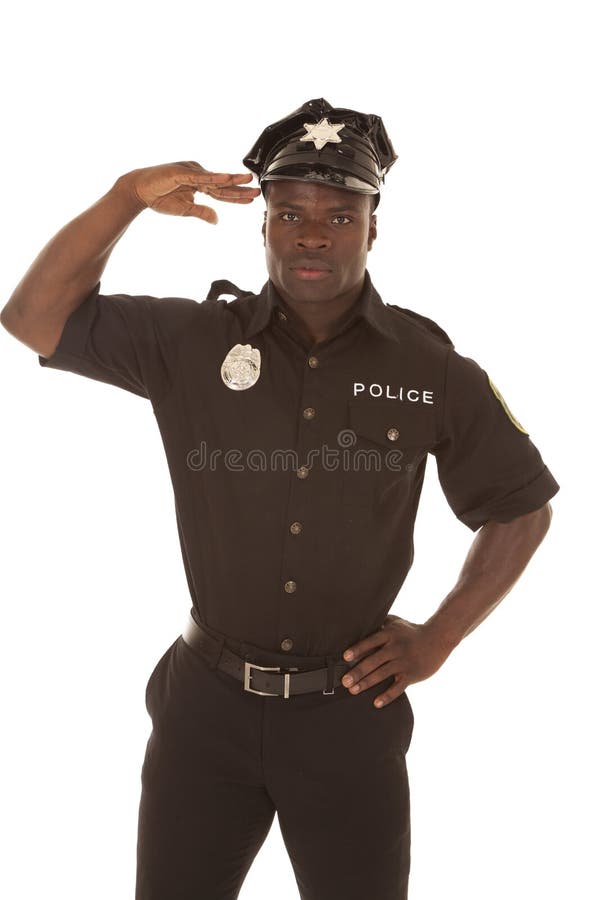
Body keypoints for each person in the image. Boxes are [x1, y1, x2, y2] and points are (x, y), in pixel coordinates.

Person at [1, 98, 559, 900]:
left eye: (339, 214)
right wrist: (125, 196)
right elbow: (32, 317)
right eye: (289, 212)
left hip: (349, 719)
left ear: (374, 228)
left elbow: (521, 502)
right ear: (262, 224)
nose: (311, 233)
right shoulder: (193, 342)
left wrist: (439, 637)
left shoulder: (433, 369)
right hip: (204, 712)